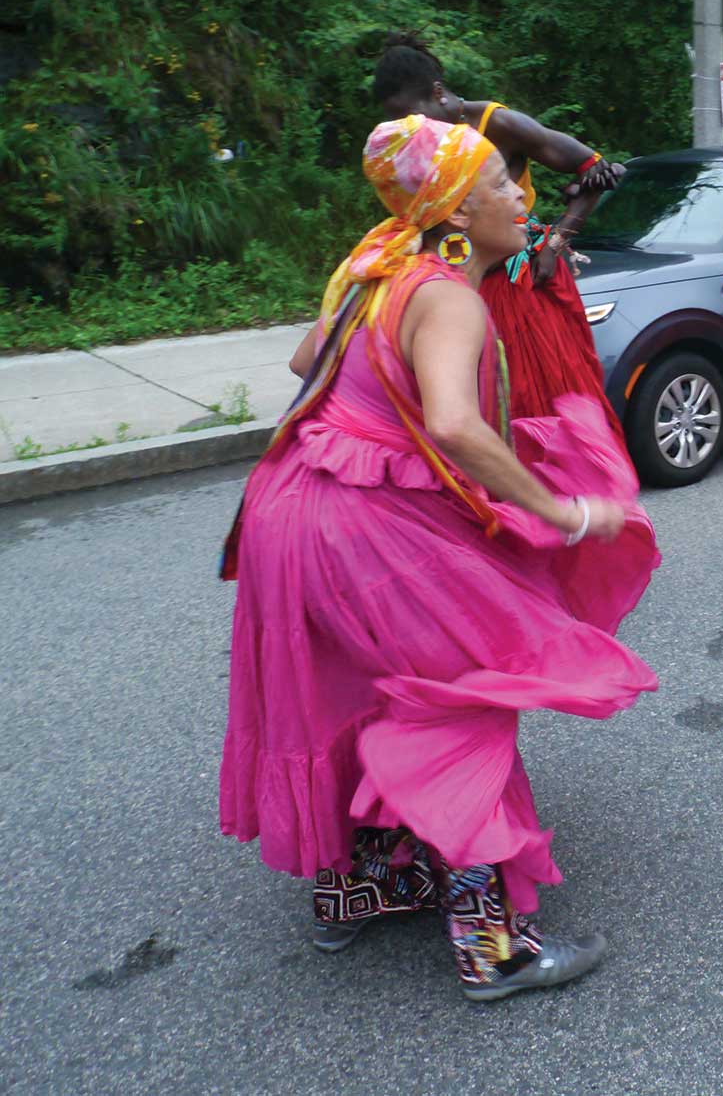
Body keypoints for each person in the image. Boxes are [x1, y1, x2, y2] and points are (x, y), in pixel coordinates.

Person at [219, 115, 660, 1001]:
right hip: (364, 525)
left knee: (360, 695)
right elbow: (456, 424)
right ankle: (492, 948)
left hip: (293, 506)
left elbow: (308, 357)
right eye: (500, 182)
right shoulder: (447, 293)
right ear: (456, 212)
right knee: (468, 696)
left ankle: (356, 892)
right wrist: (562, 509)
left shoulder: (376, 264)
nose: (520, 197)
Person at [372, 35, 624, 433]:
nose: (408, 126)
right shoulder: (422, 145)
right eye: (398, 119)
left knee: (527, 406)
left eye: (411, 114)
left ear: (437, 93)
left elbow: (597, 171)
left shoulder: (498, 124)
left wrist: (555, 245)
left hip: (520, 287)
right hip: (456, 283)